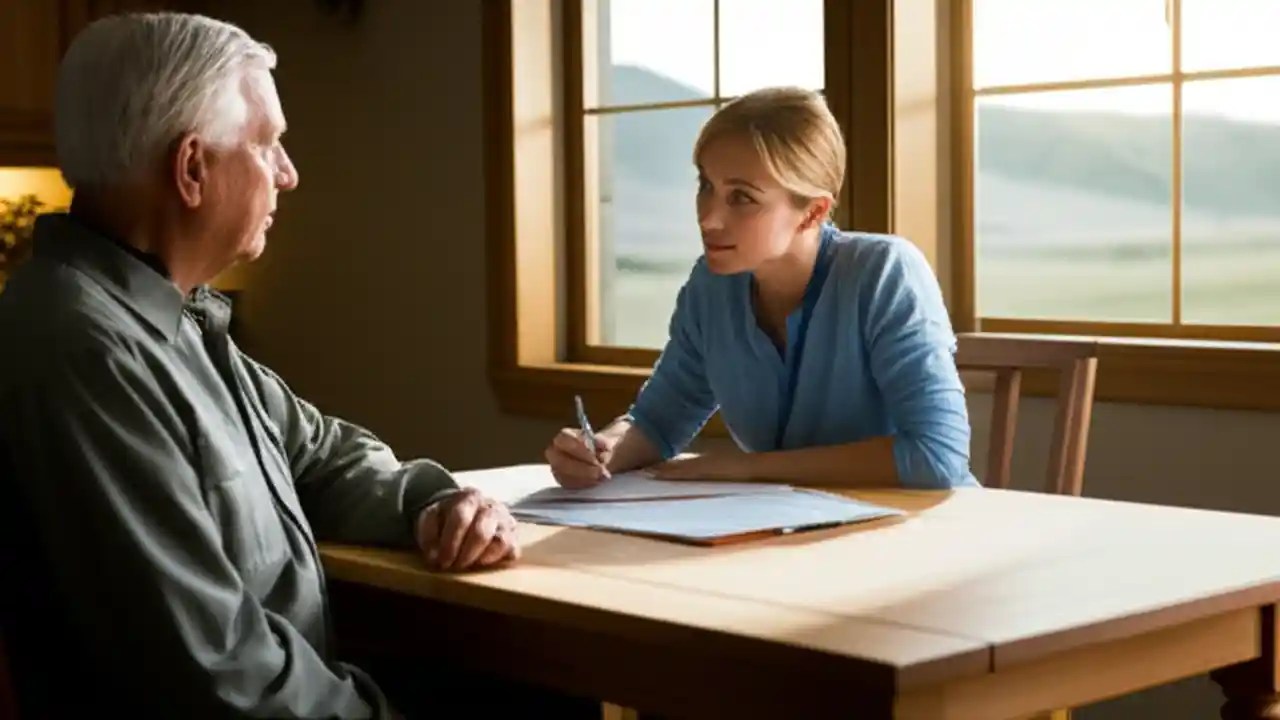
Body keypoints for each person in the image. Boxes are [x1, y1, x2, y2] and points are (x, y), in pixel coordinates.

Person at [0, 12, 592, 719]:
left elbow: (320, 454)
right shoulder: (87, 351)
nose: (289, 173)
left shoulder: (171, 319)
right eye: (269, 144)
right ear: (192, 169)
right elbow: (217, 678)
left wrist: (433, 502)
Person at [546, 87, 978, 491]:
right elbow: (658, 422)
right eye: (706, 186)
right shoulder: (710, 287)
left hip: (927, 539)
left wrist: (745, 468)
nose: (708, 218)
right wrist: (602, 449)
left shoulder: (884, 272)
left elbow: (937, 455)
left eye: (742, 198)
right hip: (795, 536)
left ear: (812, 212)